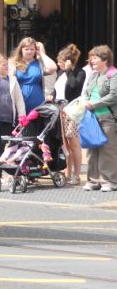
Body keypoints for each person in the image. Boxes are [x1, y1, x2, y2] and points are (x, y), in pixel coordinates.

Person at [83, 45, 117, 191]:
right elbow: (85, 92)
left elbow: (114, 95)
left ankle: (109, 181)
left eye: (95, 58)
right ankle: (93, 181)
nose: (92, 61)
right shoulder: (93, 75)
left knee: (107, 150)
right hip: (92, 118)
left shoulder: (113, 74)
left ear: (105, 59)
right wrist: (84, 102)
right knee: (92, 149)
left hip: (107, 117)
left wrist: (94, 104)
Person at [54, 44, 86, 185]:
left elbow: (74, 86)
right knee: (65, 144)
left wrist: (69, 70)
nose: (58, 64)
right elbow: (57, 90)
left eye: (61, 61)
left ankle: (77, 175)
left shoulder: (79, 72)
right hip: (59, 109)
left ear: (68, 61)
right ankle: (68, 173)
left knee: (74, 143)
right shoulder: (60, 74)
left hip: (72, 110)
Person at [10, 36, 57, 112]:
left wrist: (41, 53)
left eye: (32, 49)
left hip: (37, 101)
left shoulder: (39, 64)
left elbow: (53, 68)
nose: (29, 51)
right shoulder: (13, 63)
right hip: (19, 101)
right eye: (26, 49)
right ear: (21, 50)